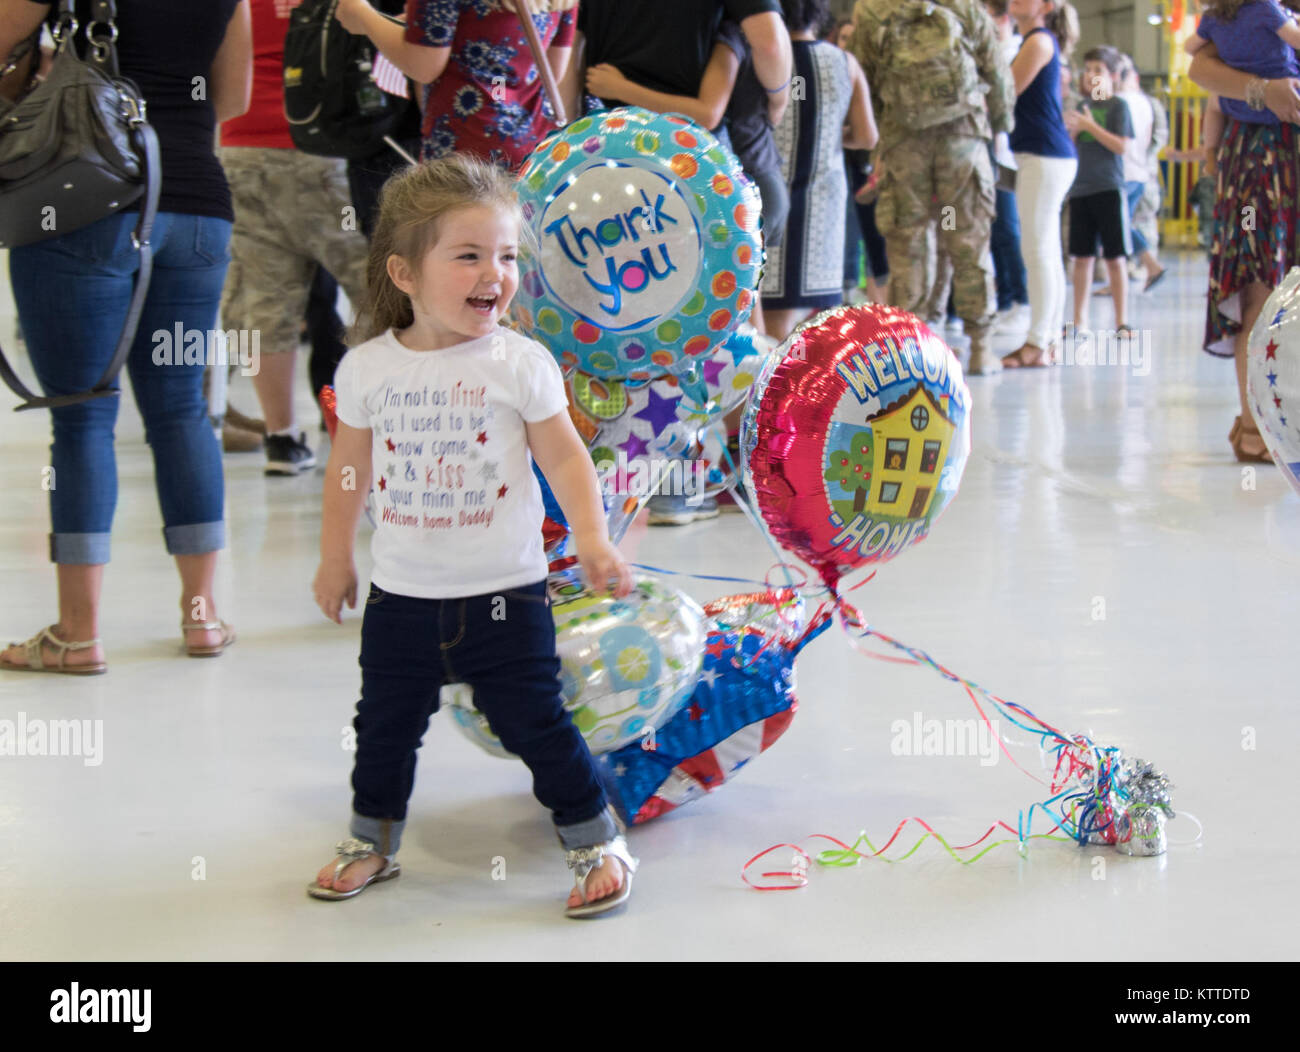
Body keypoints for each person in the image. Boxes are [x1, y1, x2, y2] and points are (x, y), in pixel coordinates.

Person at [308, 154, 639, 917]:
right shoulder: (365, 369)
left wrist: (592, 539)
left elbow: (564, 456)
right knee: (383, 730)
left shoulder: (518, 363)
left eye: (507, 256)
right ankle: (371, 840)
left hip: (504, 595)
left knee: (538, 725)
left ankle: (594, 839)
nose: (495, 272)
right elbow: (348, 475)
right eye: (469, 255)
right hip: (403, 599)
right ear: (404, 271)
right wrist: (334, 559)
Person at [0, 0, 250, 674]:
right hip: (196, 208)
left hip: (85, 200)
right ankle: (202, 618)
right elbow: (231, 96)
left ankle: (77, 635)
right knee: (182, 412)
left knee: (82, 415)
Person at [219, 0, 372, 476]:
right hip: (321, 148)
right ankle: (385, 429)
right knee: (375, 291)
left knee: (266, 302)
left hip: (242, 149)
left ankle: (282, 438)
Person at [852, 0, 1014, 376]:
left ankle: (913, 346)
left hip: (905, 147)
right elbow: (998, 76)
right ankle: (980, 346)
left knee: (909, 240)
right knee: (961, 236)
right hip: (961, 147)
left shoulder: (874, 10)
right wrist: (1001, 126)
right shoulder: (966, 8)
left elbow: (862, 76)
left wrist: (879, 132)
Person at [1187, 0, 1300, 462]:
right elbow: (1200, 68)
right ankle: (1256, 424)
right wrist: (1264, 90)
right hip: (1264, 152)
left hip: (1261, 147)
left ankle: (1267, 423)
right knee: (1261, 282)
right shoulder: (1259, 11)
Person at [336, 0, 576, 171]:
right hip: (532, 147)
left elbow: (422, 64)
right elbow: (552, 71)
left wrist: (362, 15)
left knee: (461, 240)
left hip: (464, 150)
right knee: (517, 241)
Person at [762, 0, 876, 342]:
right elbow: (867, 135)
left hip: (773, 192)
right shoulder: (845, 62)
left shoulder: (765, 56)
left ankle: (774, 389)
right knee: (819, 317)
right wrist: (829, 134)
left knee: (772, 314)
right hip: (823, 197)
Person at [1000, 0, 1078, 369]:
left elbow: (1004, 93)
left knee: (1037, 251)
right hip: (1043, 155)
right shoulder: (1035, 41)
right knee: (1044, 249)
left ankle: (1037, 342)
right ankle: (1046, 341)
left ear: (1046, 5)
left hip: (1044, 156)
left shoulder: (1039, 42)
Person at [1062, 47, 1134, 336]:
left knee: (1115, 258)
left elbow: (1122, 146)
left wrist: (1091, 126)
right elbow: (1068, 146)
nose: (1091, 75)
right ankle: (1079, 320)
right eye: (1088, 69)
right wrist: (1075, 131)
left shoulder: (1118, 107)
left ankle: (1122, 321)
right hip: (1081, 189)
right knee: (1081, 257)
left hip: (1109, 187)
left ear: (1113, 76)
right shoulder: (1079, 107)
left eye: (1099, 70)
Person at [984, 0, 1030, 330]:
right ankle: (1003, 301)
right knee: (995, 231)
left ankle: (1021, 301)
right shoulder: (988, 53)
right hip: (988, 154)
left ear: (1003, 19)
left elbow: (1004, 98)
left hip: (1010, 156)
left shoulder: (1017, 50)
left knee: (1010, 231)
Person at [1113, 55, 1167, 293]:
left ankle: (1148, 265)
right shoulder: (1115, 101)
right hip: (1128, 171)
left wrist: (1144, 159)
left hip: (1139, 172)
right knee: (1119, 223)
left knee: (1131, 221)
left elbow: (1158, 137)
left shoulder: (1146, 103)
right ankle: (1130, 272)